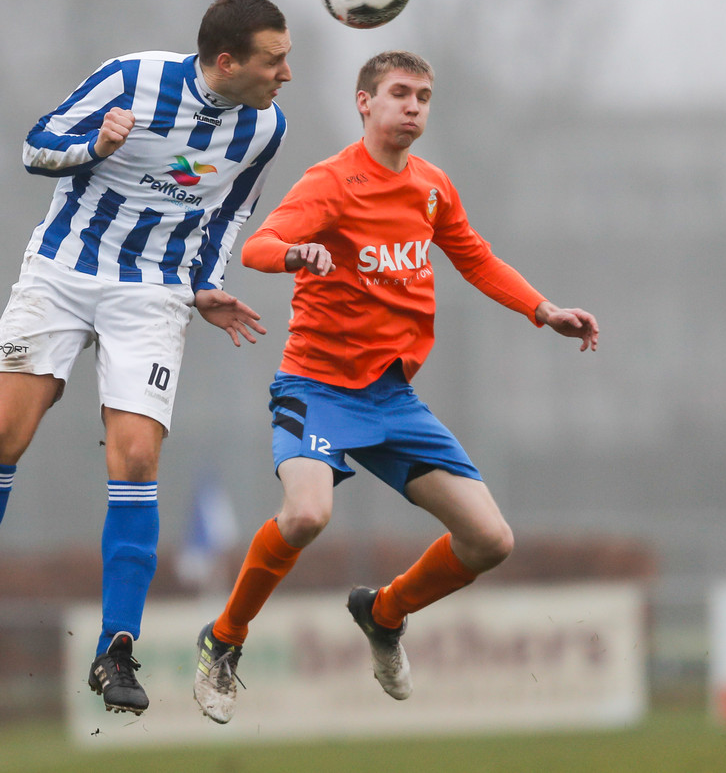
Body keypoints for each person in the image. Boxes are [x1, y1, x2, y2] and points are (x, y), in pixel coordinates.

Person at [0, 0, 292, 716]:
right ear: (228, 61)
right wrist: (94, 149)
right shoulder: (131, 78)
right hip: (61, 272)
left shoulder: (265, 127)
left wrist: (206, 286)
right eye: (275, 59)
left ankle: (116, 650)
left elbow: (231, 212)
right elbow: (34, 145)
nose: (286, 73)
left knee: (136, 457)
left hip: (153, 296)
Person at [192, 50, 598, 724]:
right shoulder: (331, 183)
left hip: (390, 399)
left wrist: (543, 309)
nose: (414, 106)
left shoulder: (431, 187)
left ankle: (383, 614)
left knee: (491, 541)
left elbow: (475, 258)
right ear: (365, 102)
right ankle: (224, 639)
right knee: (306, 514)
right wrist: (298, 252)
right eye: (401, 93)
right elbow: (259, 246)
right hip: (317, 388)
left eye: (425, 96)